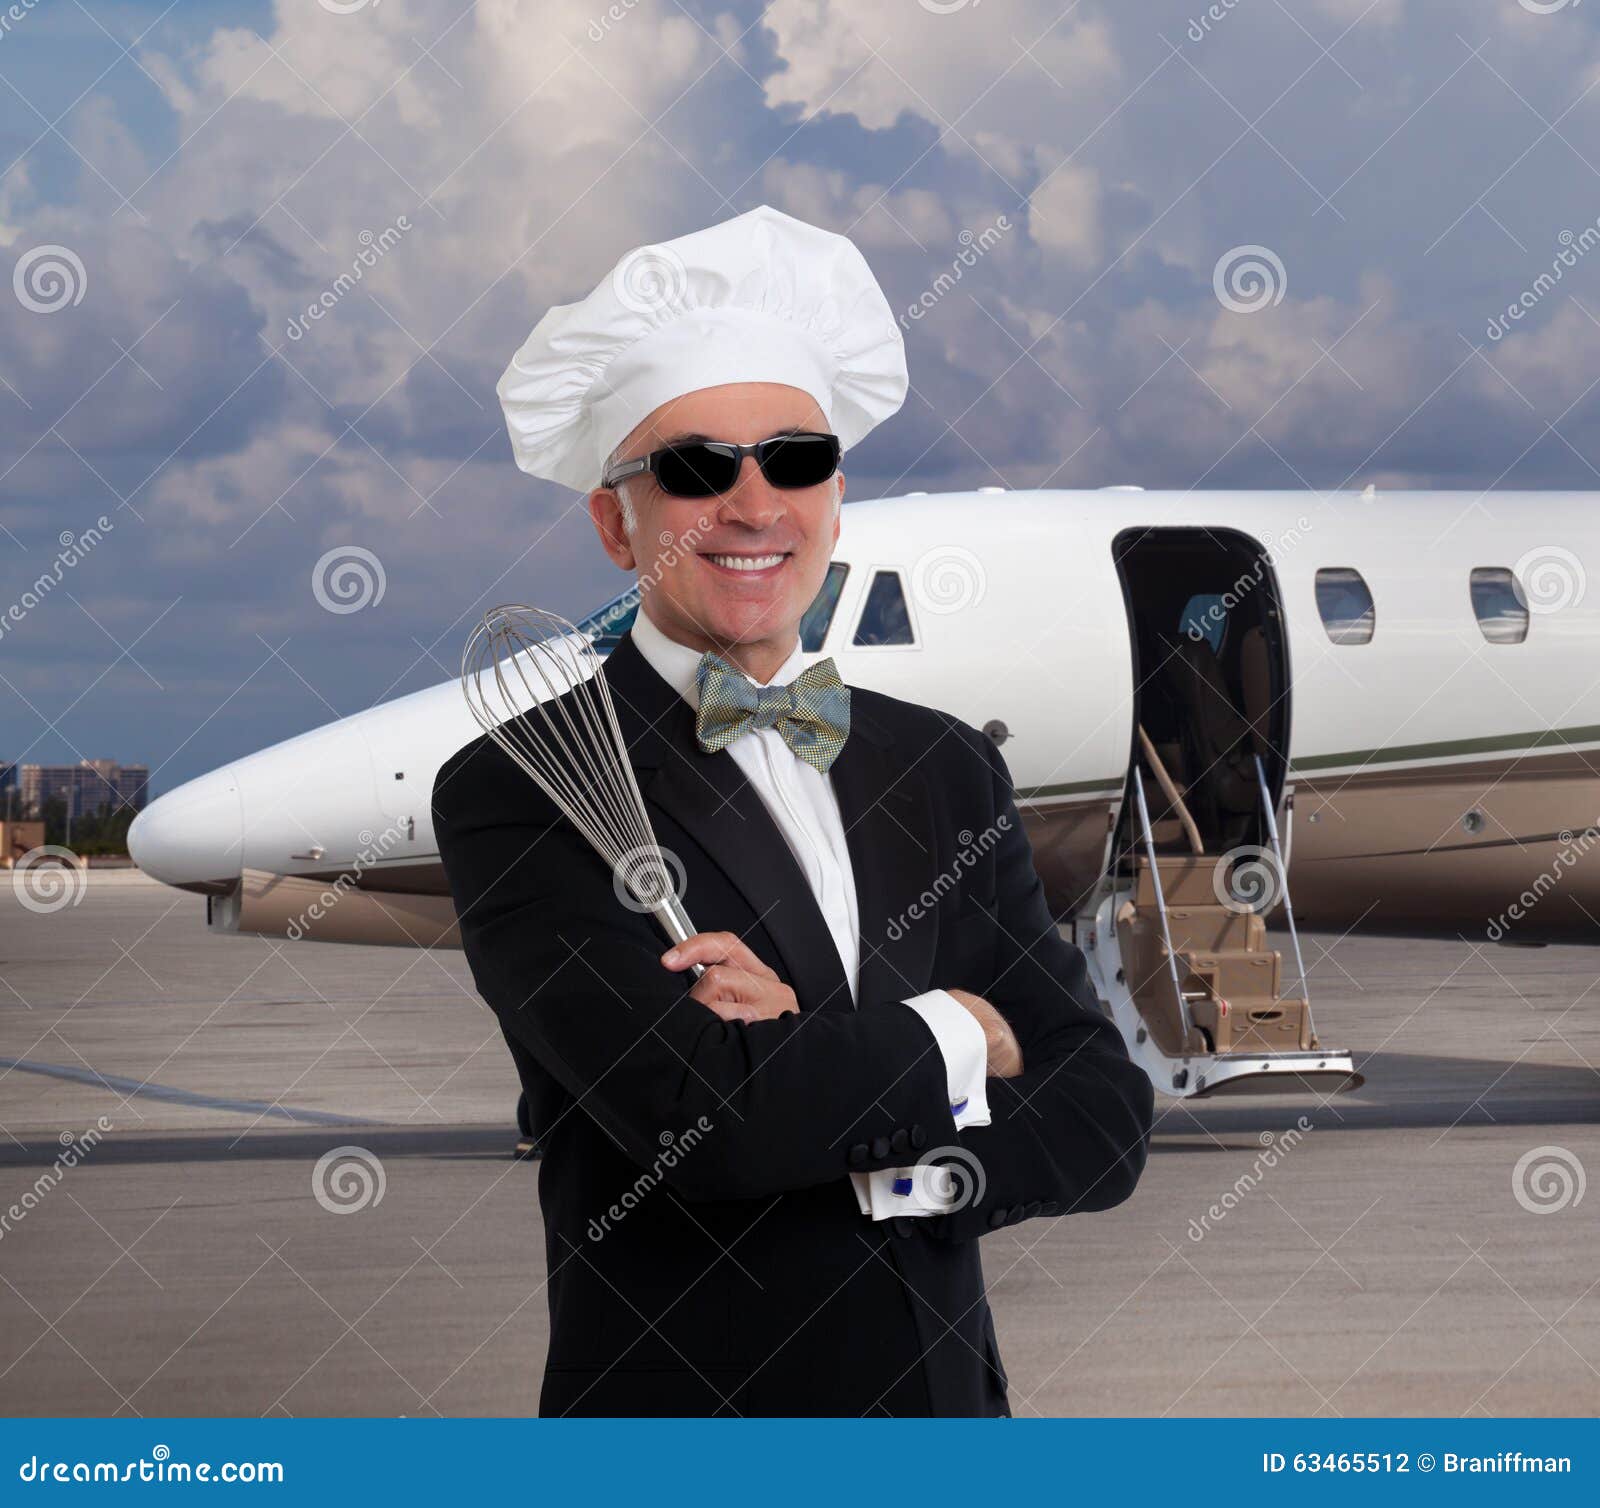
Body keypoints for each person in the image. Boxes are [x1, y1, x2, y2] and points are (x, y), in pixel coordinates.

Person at [432, 204, 1154, 1418]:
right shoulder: (526, 786)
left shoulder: (943, 768)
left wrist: (858, 1123)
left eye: (797, 458)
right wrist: (969, 1031)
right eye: (695, 468)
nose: (755, 505)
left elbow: (1103, 1114)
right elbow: (704, 1127)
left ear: (833, 494)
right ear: (618, 522)